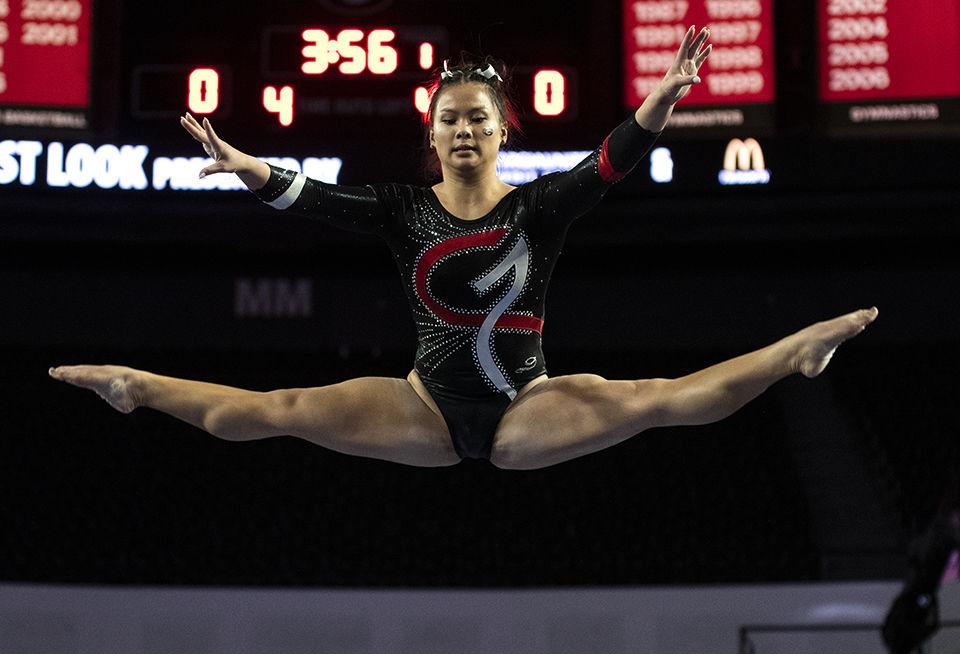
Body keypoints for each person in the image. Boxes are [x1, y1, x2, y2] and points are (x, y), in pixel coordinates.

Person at [48, 27, 878, 470]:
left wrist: (660, 96)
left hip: (526, 409)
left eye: (481, 116)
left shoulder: (540, 207)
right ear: (433, 134)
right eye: (451, 118)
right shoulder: (400, 209)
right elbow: (311, 197)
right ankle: (140, 386)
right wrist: (240, 164)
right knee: (281, 411)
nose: (466, 128)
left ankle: (793, 352)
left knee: (655, 396)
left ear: (501, 128)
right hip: (424, 406)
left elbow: (609, 162)